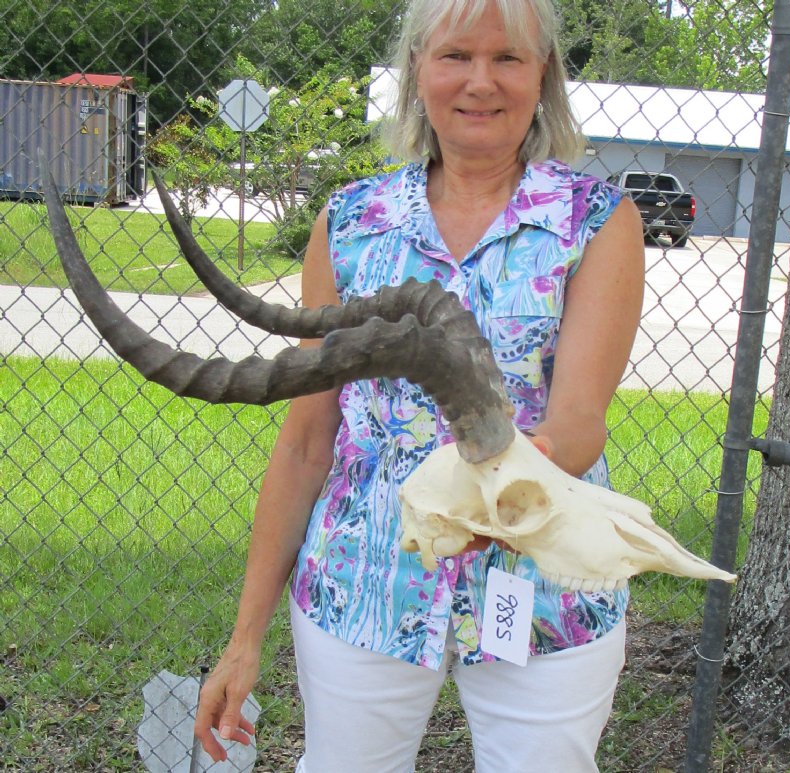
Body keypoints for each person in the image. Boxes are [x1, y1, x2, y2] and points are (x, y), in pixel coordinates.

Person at [195, 0, 644, 770]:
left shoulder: (595, 221)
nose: (480, 81)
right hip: (363, 583)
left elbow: (578, 422)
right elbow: (307, 441)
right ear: (417, 74)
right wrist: (243, 640)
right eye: (454, 56)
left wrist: (488, 492)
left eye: (507, 58)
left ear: (543, 76)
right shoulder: (352, 221)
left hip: (542, 590)